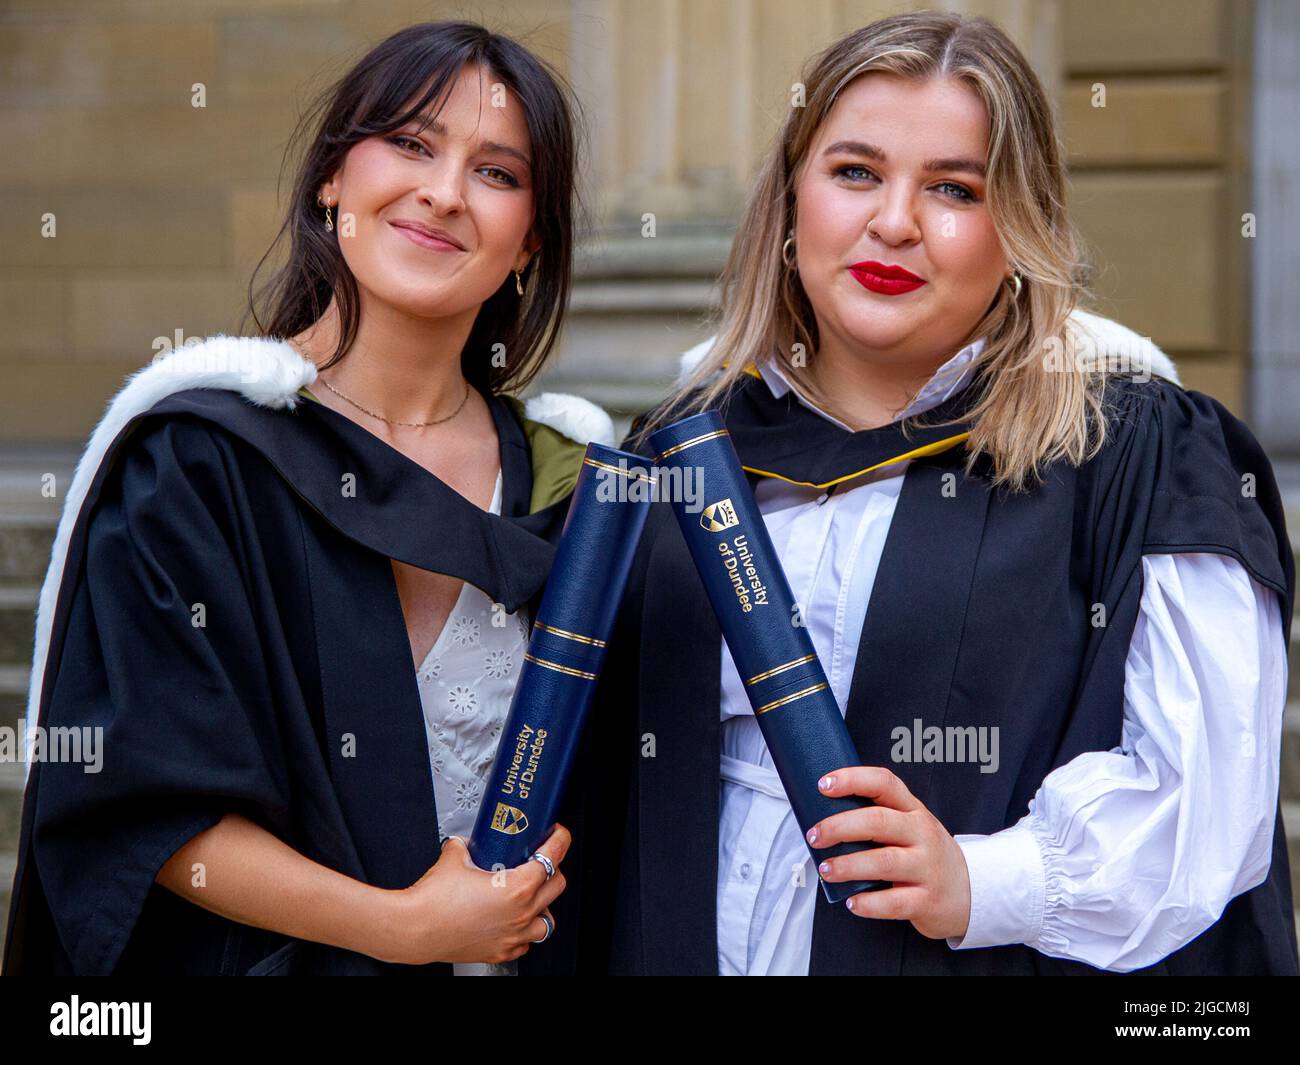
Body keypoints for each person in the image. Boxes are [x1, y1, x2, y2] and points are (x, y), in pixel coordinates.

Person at [548, 10, 1297, 975]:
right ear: (789, 204)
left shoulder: (1132, 451)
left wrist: (985, 880)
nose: (894, 222)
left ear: (1022, 228)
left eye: (954, 188)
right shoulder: (678, 455)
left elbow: (1208, 794)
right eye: (855, 172)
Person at [3, 20, 612, 976]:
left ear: (530, 239)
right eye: (410, 143)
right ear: (333, 178)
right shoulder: (204, 460)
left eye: (497, 173)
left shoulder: (568, 483)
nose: (444, 192)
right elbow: (146, 804)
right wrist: (403, 928)